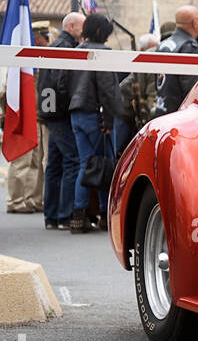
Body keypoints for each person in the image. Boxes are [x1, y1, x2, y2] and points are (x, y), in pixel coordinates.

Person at [68, 13, 128, 233]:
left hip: (76, 113)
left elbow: (64, 83)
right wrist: (110, 120)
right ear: (102, 32)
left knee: (86, 164)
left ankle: (78, 216)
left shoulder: (75, 52)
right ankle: (105, 215)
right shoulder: (104, 53)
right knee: (105, 164)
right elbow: (109, 91)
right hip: (96, 115)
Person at [38, 12, 84, 230]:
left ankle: (52, 216)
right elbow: (62, 83)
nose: (83, 32)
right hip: (61, 114)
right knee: (72, 161)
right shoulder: (67, 48)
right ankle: (64, 215)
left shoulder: (54, 47)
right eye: (81, 27)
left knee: (54, 165)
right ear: (72, 26)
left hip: (51, 113)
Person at [4, 22, 50, 214]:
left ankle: (32, 198)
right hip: (23, 115)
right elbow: (8, 90)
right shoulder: (20, 60)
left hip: (38, 116)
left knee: (35, 161)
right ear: (36, 38)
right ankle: (15, 200)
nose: (48, 41)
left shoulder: (40, 60)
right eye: (45, 37)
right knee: (22, 159)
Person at [156, 6, 198, 113]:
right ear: (194, 22)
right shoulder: (188, 47)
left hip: (162, 107)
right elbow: (192, 88)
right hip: (178, 113)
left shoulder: (164, 44)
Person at [117, 33, 159, 151]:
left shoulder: (147, 61)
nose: (155, 51)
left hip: (129, 112)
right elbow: (151, 95)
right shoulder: (149, 61)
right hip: (125, 113)